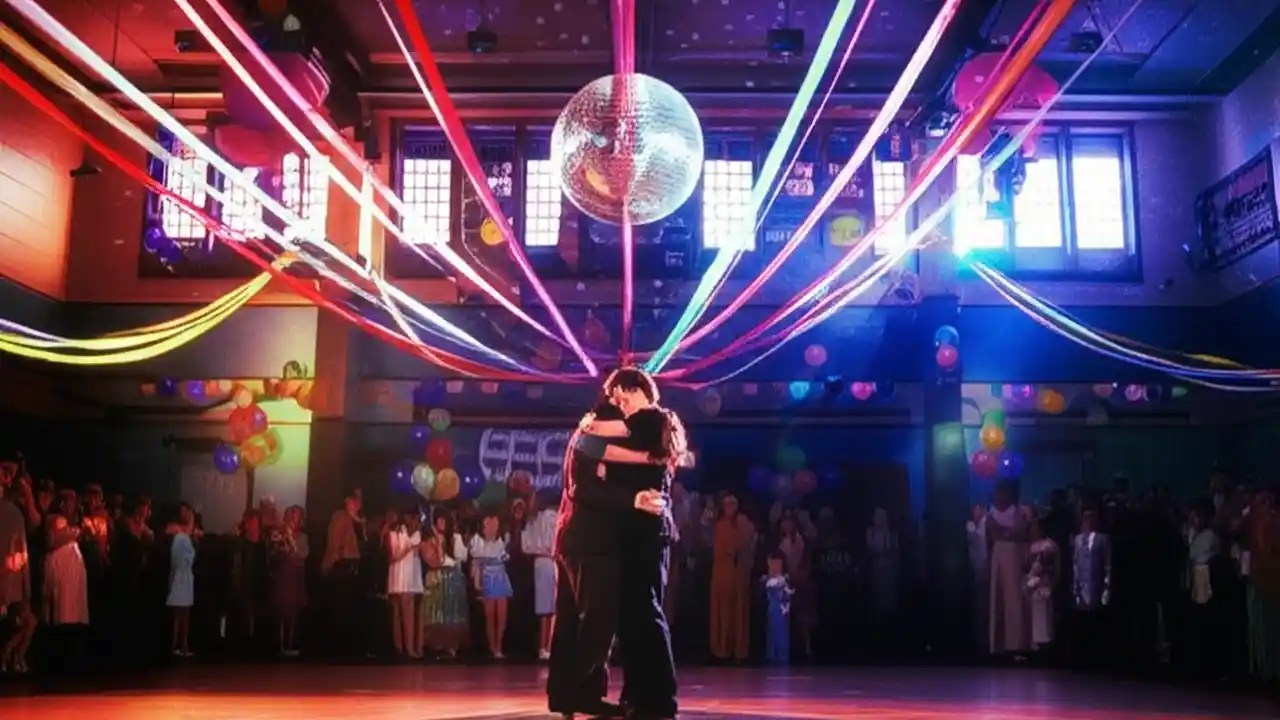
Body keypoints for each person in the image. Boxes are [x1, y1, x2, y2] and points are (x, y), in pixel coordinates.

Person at [575, 368, 685, 720]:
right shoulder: (640, 427)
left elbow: (594, 439)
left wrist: (591, 428)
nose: (615, 401)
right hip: (634, 531)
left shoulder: (652, 419)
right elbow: (590, 444)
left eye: (617, 393)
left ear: (633, 388)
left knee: (645, 613)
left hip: (647, 530)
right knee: (633, 617)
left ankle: (660, 698)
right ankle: (639, 695)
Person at [422, 507, 469, 659]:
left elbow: (460, 558)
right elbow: (435, 561)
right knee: (438, 612)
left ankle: (452, 646)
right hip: (437, 578)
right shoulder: (432, 540)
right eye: (439, 519)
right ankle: (437, 646)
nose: (442, 522)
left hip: (452, 578)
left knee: (452, 613)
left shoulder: (456, 538)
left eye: (444, 519)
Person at [470, 512, 512, 659]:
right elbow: (476, 563)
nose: (492, 526)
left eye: (494, 523)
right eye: (488, 524)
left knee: (501, 614)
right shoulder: (478, 542)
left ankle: (499, 646)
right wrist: (477, 583)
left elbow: (505, 556)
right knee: (490, 615)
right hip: (487, 577)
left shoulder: (503, 541)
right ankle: (492, 646)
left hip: (500, 576)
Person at [523, 490, 559, 660]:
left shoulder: (532, 520)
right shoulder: (551, 517)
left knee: (546, 607)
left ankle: (545, 647)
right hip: (550, 561)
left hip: (541, 562)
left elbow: (526, 546)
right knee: (550, 607)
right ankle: (548, 647)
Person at [762, 551, 793, 665]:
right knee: (771, 631)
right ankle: (771, 655)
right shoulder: (767, 579)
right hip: (772, 608)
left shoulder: (784, 580)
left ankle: (782, 656)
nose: (774, 566)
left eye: (777, 564)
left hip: (782, 609)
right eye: (772, 563)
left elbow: (787, 595)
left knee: (782, 632)